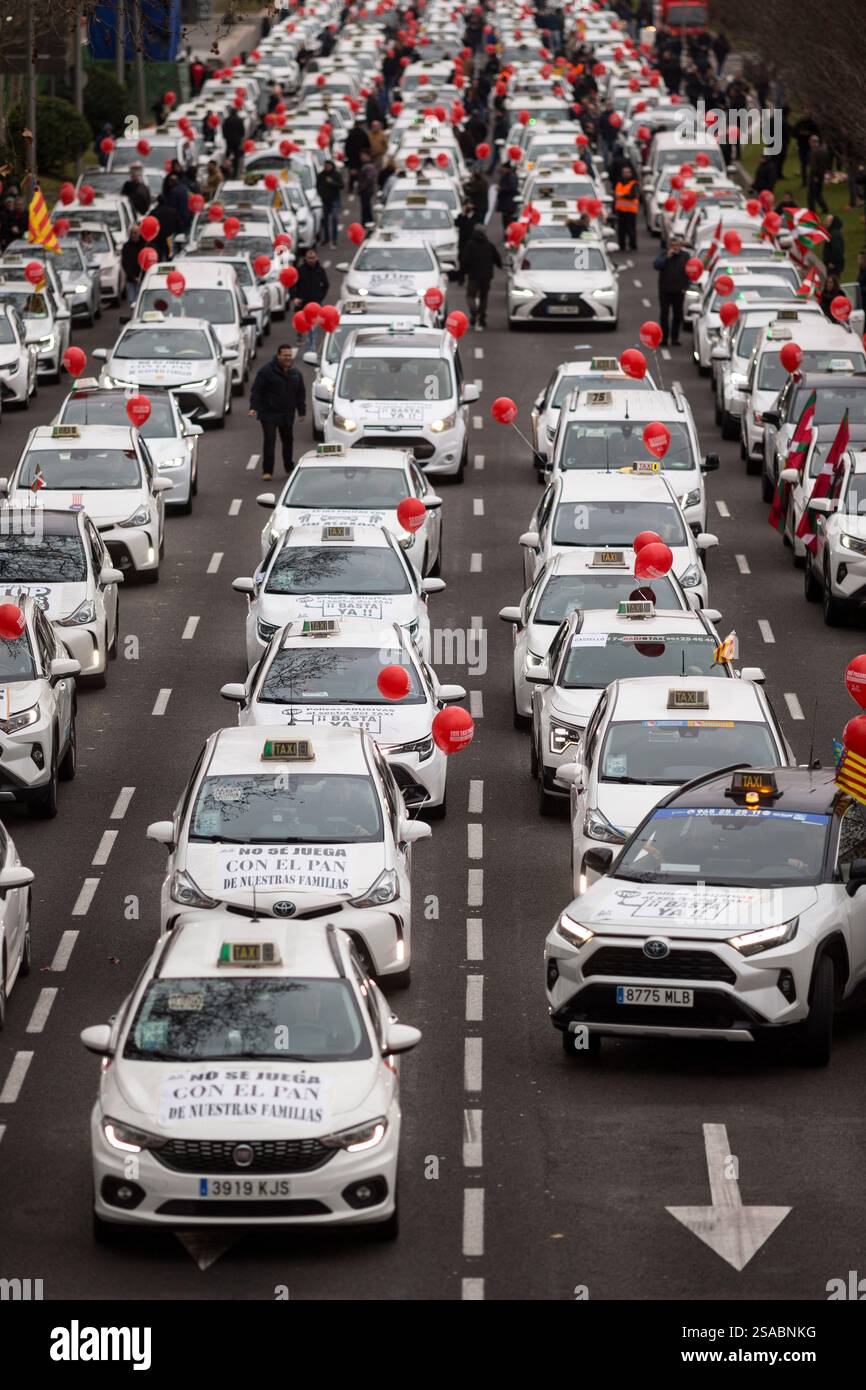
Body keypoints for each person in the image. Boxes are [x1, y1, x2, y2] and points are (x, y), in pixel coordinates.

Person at [249, 344, 307, 480]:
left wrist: (302, 411)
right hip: (268, 413)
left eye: (289, 355)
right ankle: (267, 471)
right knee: (270, 440)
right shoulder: (266, 372)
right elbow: (257, 390)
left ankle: (289, 467)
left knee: (288, 441)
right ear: (278, 355)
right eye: (285, 355)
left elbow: (300, 394)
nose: (287, 357)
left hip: (287, 413)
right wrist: (253, 407)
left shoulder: (295, 373)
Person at [459, 224, 502, 331]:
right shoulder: (489, 245)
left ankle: (474, 312)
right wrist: (500, 265)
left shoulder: (470, 245)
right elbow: (497, 258)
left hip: (474, 275)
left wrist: (463, 273)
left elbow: (464, 260)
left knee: (470, 296)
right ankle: (481, 315)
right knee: (483, 296)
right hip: (486, 276)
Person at [653, 235, 691, 346]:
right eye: (672, 246)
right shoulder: (664, 254)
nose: (675, 248)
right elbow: (656, 265)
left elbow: (689, 272)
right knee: (664, 315)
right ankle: (664, 338)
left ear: (680, 246)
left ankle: (675, 338)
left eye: (677, 245)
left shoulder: (685, 256)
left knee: (677, 315)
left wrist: (686, 287)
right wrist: (667, 257)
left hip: (679, 291)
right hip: (665, 290)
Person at [293, 247, 330, 350]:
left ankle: (311, 348)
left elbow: (326, 285)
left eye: (313, 258)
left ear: (316, 258)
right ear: (305, 258)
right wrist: (295, 298)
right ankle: (299, 337)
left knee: (313, 328)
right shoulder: (300, 270)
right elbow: (293, 285)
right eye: (309, 258)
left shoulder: (320, 270)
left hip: (315, 304)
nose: (311, 260)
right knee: (301, 324)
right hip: (302, 303)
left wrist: (320, 297)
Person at [316, 159, 343, 247]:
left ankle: (334, 239)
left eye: (329, 166)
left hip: (334, 199)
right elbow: (317, 186)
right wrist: (321, 193)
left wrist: (332, 182)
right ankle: (326, 238)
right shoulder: (321, 175)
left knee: (334, 218)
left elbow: (341, 185)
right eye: (326, 166)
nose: (327, 167)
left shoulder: (336, 175)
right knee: (325, 220)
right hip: (325, 200)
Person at [614, 161, 639, 252]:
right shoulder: (619, 183)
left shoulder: (634, 183)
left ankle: (632, 245)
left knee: (631, 229)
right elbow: (616, 195)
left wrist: (621, 196)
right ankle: (622, 245)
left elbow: (633, 195)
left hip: (630, 211)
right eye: (624, 172)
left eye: (627, 172)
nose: (626, 174)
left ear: (630, 173)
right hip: (620, 210)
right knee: (621, 229)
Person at [345, 119, 371, 191]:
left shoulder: (351, 134)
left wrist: (347, 155)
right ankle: (360, 186)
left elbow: (347, 146)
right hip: (361, 157)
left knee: (352, 173)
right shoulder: (363, 134)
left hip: (352, 157)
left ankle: (351, 187)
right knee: (361, 173)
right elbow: (368, 145)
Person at [806, 135, 830, 214]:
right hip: (821, 175)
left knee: (811, 195)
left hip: (815, 176)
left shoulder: (814, 152)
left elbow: (814, 166)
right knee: (818, 194)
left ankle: (812, 210)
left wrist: (814, 176)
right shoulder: (824, 150)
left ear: (813, 142)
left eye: (810, 142)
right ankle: (825, 208)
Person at [121, 224, 143, 308]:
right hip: (131, 280)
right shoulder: (126, 247)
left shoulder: (143, 246)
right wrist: (133, 277)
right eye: (132, 233)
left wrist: (141, 276)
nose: (133, 235)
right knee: (132, 303)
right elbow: (125, 263)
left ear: (139, 233)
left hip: (142, 279)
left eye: (135, 233)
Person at [222, 107, 245, 178]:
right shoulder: (239, 120)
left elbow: (224, 130)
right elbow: (242, 131)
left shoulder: (227, 120)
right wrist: (240, 138)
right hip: (237, 141)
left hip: (229, 141)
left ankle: (226, 171)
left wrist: (226, 137)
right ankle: (235, 172)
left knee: (227, 156)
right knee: (236, 157)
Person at [357, 149, 377, 227]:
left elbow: (369, 179)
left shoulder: (369, 166)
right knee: (366, 207)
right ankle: (367, 222)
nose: (361, 157)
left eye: (363, 155)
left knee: (366, 207)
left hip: (367, 190)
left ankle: (367, 222)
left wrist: (362, 187)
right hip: (366, 190)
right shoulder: (366, 164)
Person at [497, 162, 518, 233]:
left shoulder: (511, 177)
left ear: (507, 169)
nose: (502, 169)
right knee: (505, 221)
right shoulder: (506, 175)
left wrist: (501, 189)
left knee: (508, 222)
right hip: (506, 204)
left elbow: (512, 188)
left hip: (509, 204)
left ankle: (508, 236)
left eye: (503, 168)